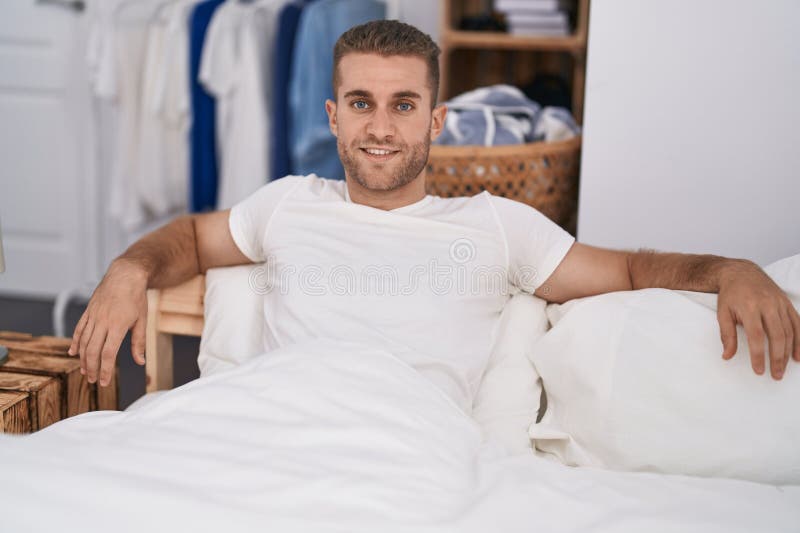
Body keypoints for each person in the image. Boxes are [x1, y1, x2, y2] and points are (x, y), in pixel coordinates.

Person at [69, 20, 799, 411]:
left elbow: (632, 269)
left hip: (408, 446)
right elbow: (195, 236)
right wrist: (129, 267)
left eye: (403, 105)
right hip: (273, 420)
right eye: (361, 104)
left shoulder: (496, 225)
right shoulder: (288, 202)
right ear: (334, 114)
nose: (380, 127)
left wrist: (730, 271)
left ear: (437, 120)